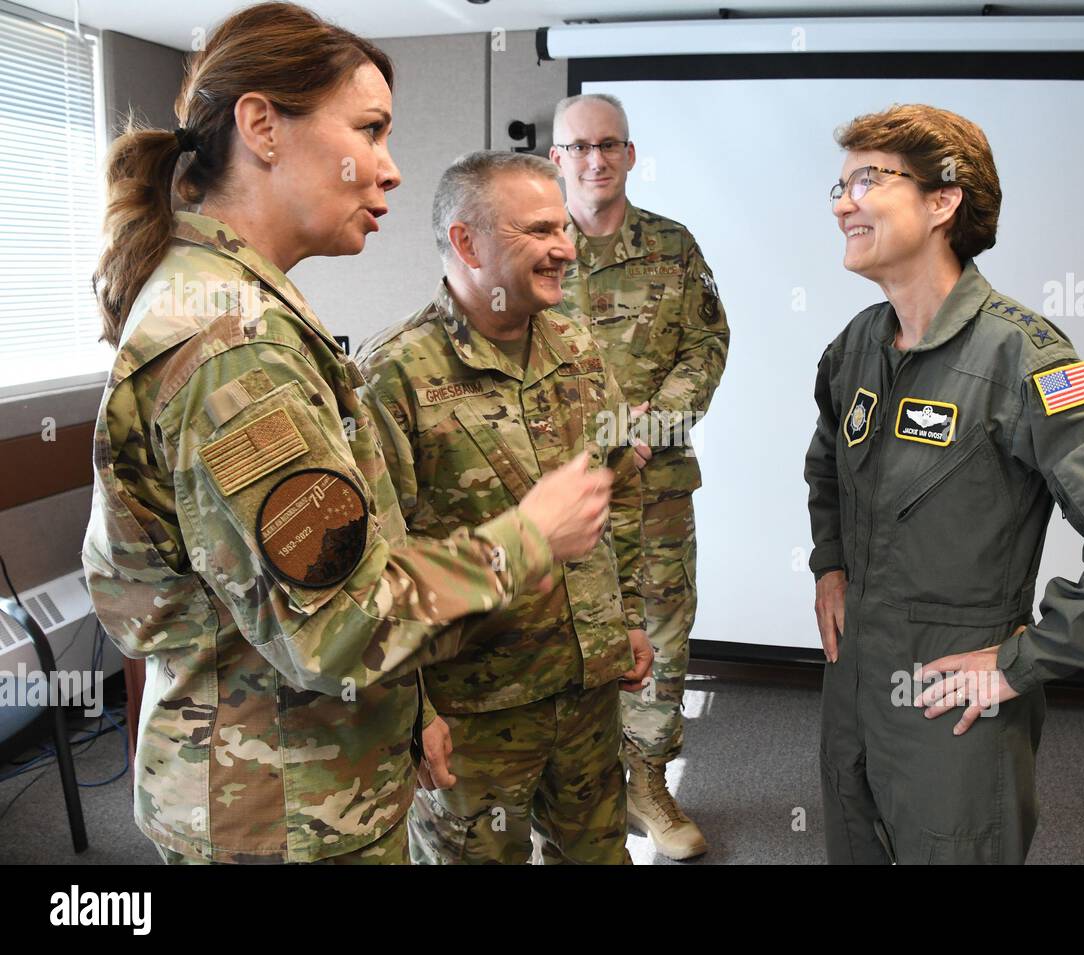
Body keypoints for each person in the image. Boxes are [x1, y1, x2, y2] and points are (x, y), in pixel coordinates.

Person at [81, 1, 611, 865]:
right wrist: (528, 535)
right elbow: (339, 630)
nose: (390, 169)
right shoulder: (231, 348)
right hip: (281, 815)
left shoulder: (234, 306)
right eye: (369, 130)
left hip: (305, 783)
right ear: (262, 126)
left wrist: (410, 715)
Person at [805, 104, 1084, 865]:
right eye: (840, 182)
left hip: (950, 704)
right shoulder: (857, 344)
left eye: (866, 180)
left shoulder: (1027, 359)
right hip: (850, 686)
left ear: (943, 200)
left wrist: (1021, 661)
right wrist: (830, 561)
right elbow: (827, 459)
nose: (841, 202)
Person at [356, 151, 653, 864]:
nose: (564, 248)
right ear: (466, 242)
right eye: (539, 231)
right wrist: (415, 712)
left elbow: (619, 488)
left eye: (564, 228)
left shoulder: (579, 348)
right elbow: (374, 572)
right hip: (473, 715)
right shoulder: (394, 375)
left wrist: (632, 616)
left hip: (586, 692)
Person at [548, 93, 729, 860]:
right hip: (562, 497)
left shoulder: (673, 247)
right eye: (580, 147)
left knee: (662, 633)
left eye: (610, 145)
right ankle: (572, 795)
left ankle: (648, 783)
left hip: (656, 493)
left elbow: (708, 345)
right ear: (557, 159)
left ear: (629, 154)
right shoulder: (534, 246)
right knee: (564, 639)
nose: (596, 159)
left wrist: (653, 426)